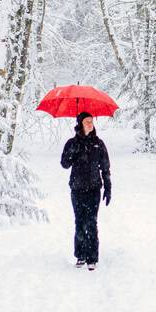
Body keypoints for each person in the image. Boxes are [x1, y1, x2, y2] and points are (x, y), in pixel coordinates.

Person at [60, 110, 111, 270]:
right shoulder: (72, 143)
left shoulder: (98, 143)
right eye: (87, 121)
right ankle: (80, 255)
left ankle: (92, 258)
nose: (90, 124)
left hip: (94, 189)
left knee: (91, 222)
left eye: (91, 121)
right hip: (77, 189)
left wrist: (108, 187)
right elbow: (64, 164)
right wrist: (73, 150)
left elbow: (105, 167)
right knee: (79, 222)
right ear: (80, 124)